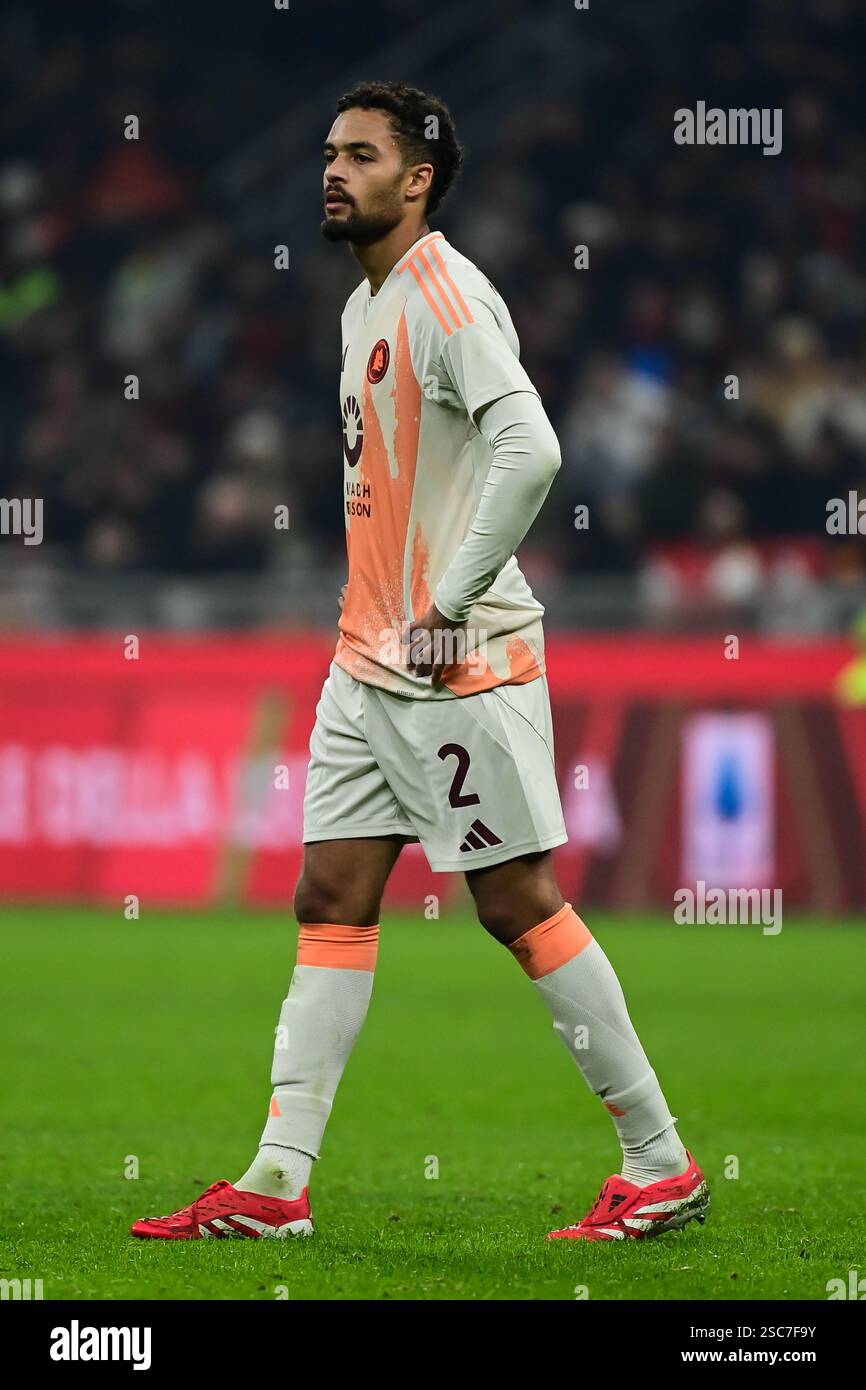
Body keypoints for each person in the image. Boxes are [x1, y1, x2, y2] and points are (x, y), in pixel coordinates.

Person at [132, 81, 708, 1243]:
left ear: (418, 179)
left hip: (455, 667)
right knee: (330, 895)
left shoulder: (444, 298)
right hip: (364, 665)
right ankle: (277, 1185)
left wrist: (444, 605)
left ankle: (660, 1163)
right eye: (328, 154)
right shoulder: (364, 307)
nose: (332, 173)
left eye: (359, 156)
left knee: (514, 903)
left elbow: (530, 447)